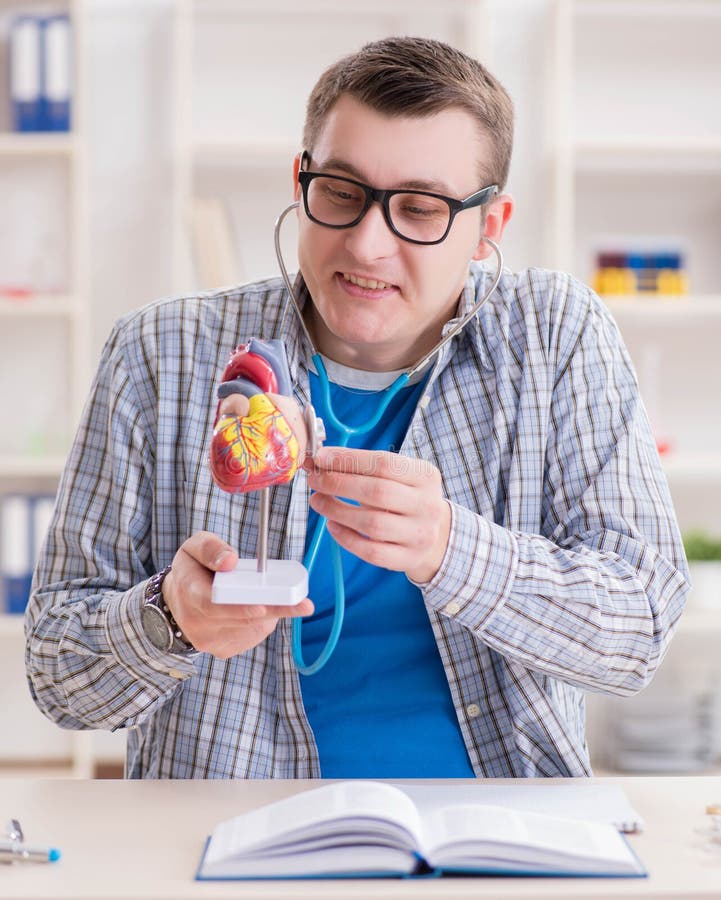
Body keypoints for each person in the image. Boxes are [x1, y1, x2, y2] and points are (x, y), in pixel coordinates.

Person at [25, 36, 689, 779]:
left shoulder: (554, 335)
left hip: (497, 836)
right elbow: (59, 680)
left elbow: (638, 632)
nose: (368, 244)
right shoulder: (160, 350)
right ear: (300, 181)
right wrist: (169, 619)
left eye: (420, 207)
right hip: (228, 838)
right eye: (341, 193)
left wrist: (449, 549)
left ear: (487, 229)